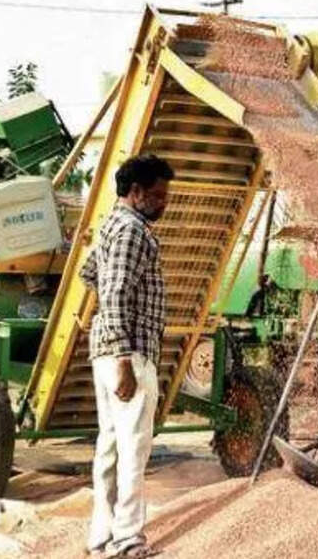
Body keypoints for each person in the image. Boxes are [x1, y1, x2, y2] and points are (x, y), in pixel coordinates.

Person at [80, 154, 174, 557]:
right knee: (134, 448)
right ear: (135, 192)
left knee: (110, 446)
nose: (163, 203)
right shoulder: (134, 231)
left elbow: (89, 274)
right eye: (157, 195)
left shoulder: (110, 224)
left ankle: (101, 535)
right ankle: (128, 539)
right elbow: (116, 292)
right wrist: (123, 360)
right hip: (128, 353)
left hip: (108, 349)